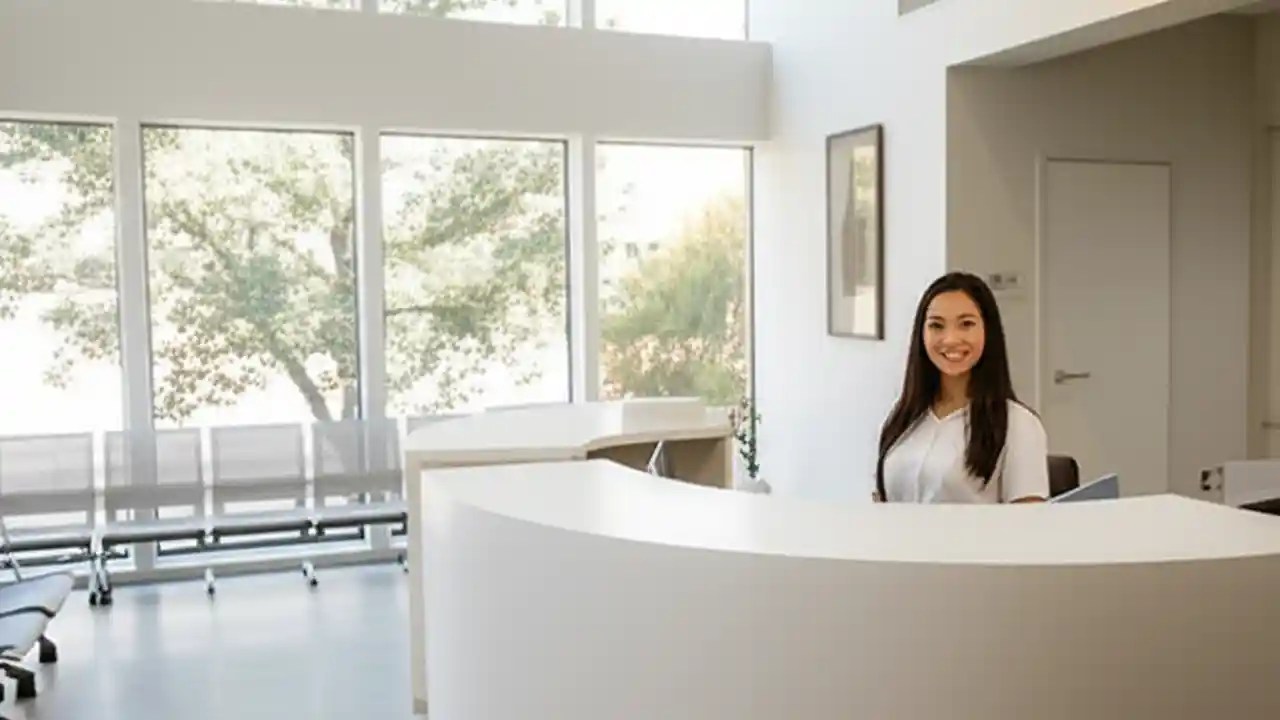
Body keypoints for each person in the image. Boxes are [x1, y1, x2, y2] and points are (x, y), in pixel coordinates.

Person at [873, 272, 1048, 504]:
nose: (951, 339)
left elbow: (1029, 526)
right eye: (936, 325)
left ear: (988, 331)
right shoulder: (905, 416)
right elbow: (880, 502)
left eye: (966, 324)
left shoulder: (1019, 424)